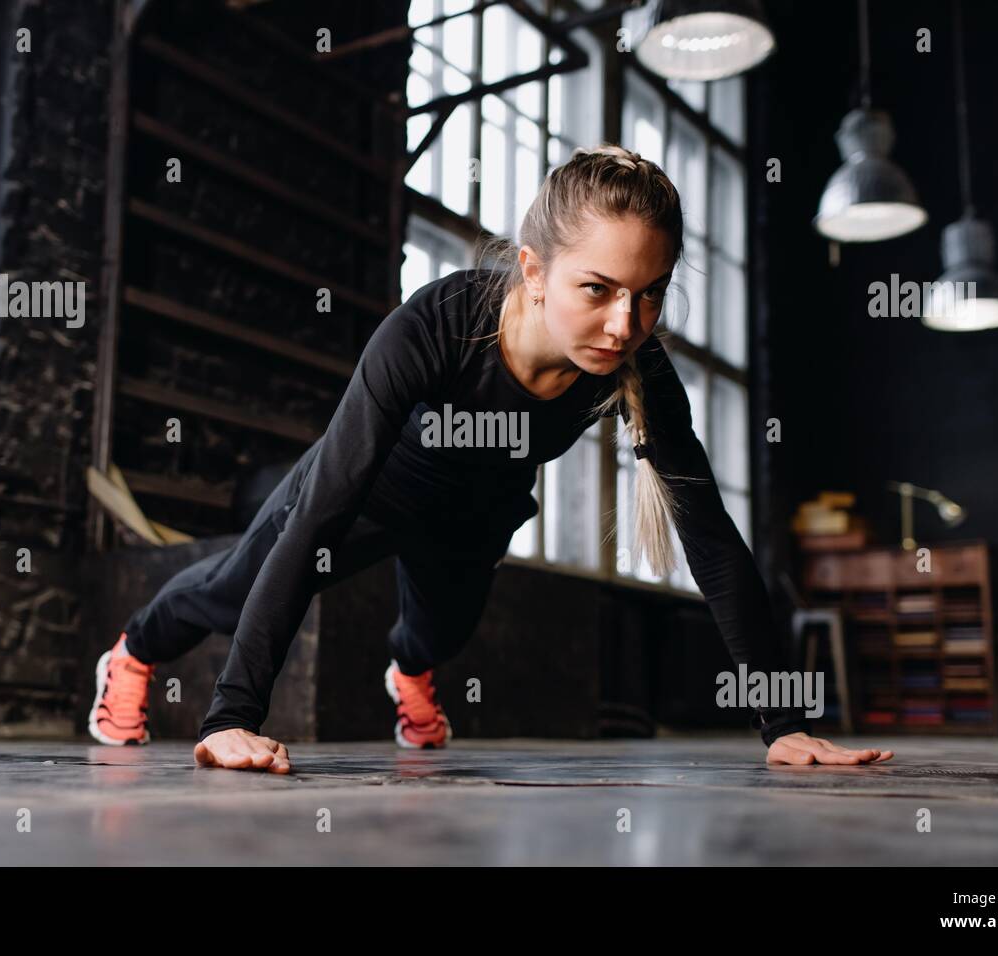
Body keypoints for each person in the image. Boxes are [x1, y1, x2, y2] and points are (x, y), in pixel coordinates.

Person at [89, 143, 894, 773]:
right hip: (370, 490)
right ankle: (132, 650)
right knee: (233, 586)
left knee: (438, 635)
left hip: (475, 515)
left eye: (649, 293)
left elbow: (710, 540)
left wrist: (784, 726)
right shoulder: (434, 328)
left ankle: (408, 675)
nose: (626, 323)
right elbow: (322, 509)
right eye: (600, 289)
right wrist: (232, 717)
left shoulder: (638, 370)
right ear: (536, 272)